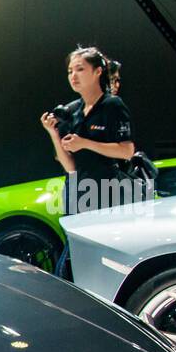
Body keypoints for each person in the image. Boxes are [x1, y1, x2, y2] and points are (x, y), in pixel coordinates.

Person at [40, 46, 135, 277]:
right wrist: (53, 134)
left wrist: (85, 143)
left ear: (98, 72)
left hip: (105, 191)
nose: (73, 75)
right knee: (74, 259)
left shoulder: (112, 105)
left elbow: (127, 150)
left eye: (80, 69)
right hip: (76, 190)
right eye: (70, 71)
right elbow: (69, 165)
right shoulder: (73, 110)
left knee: (103, 260)